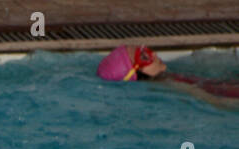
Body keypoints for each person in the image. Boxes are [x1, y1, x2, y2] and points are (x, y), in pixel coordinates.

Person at [96, 45, 239, 106]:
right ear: (136, 73)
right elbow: (215, 102)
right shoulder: (168, 85)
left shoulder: (166, 77)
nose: (154, 54)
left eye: (145, 49)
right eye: (145, 56)